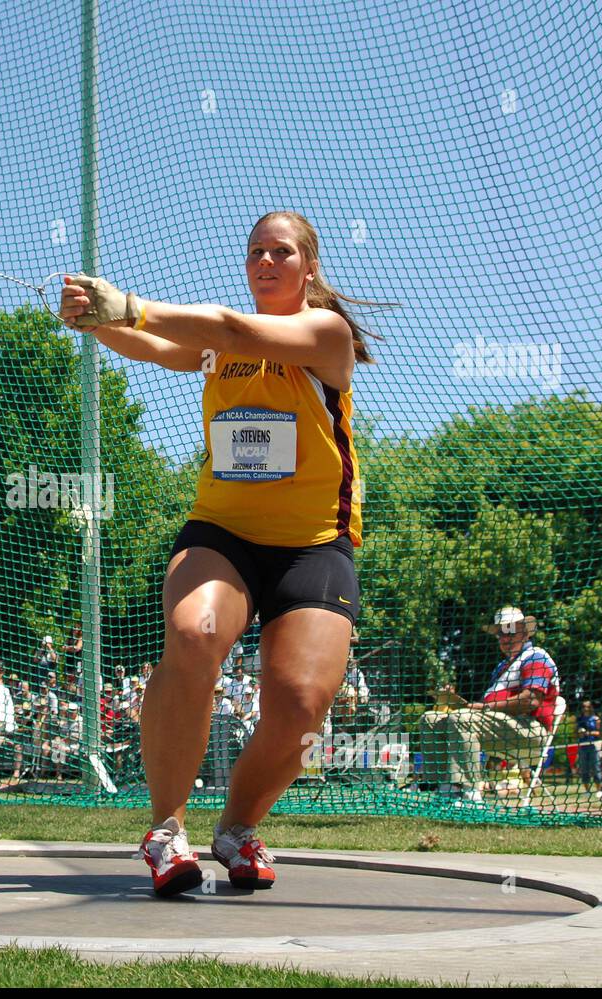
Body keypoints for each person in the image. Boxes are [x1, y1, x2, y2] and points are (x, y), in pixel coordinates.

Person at [61, 210, 387, 895]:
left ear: (309, 266)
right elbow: (151, 346)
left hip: (313, 546)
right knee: (193, 632)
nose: (266, 262)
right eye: (255, 253)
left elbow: (230, 327)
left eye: (281, 252)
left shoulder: (326, 336)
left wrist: (134, 304)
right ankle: (165, 830)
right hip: (225, 535)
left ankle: (237, 827)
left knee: (301, 703)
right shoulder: (220, 347)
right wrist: (95, 318)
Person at [417, 607, 560, 803]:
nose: (505, 638)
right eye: (501, 633)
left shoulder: (536, 656)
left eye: (511, 631)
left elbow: (530, 700)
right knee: (430, 719)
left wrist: (483, 708)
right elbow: (486, 709)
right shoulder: (502, 666)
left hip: (531, 731)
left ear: (525, 633)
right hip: (500, 728)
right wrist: (458, 702)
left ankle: (469, 794)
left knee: (461, 718)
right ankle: (443, 790)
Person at [575, 699, 602, 794]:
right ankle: (587, 790)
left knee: (596, 767)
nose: (585, 709)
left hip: (594, 746)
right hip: (583, 746)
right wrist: (580, 733)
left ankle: (599, 790)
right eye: (583, 706)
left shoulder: (596, 719)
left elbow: (600, 733)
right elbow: (575, 733)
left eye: (587, 706)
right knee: (584, 768)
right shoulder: (579, 719)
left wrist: (588, 733)